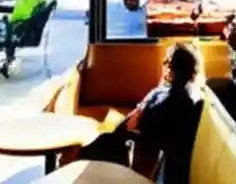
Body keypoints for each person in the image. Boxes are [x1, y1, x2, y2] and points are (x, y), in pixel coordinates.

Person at [78, 42, 204, 184]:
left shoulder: (174, 99)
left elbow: (144, 125)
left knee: (95, 150)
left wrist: (136, 119)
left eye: (169, 61)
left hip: (136, 140)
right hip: (132, 134)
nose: (164, 64)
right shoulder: (172, 93)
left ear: (176, 68)